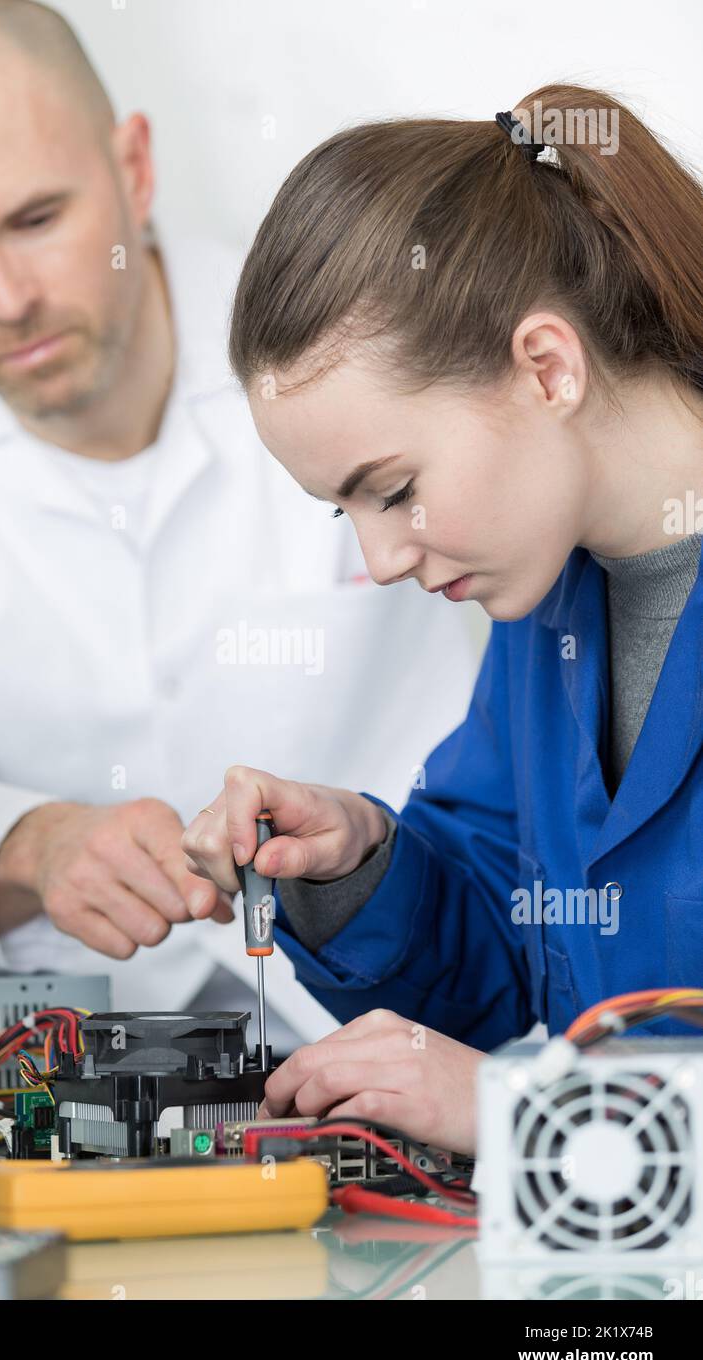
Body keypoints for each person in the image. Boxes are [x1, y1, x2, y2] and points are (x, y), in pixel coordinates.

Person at [0, 0, 479, 1053]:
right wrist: (24, 844)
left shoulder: (335, 347)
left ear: (133, 166)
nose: (7, 299)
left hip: (412, 1021)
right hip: (83, 1064)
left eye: (37, 219)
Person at [181, 84, 703, 1151]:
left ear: (545, 368)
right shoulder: (547, 603)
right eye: (345, 510)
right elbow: (511, 969)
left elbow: (519, 1084)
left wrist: (536, 1113)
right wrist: (357, 869)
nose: (377, 562)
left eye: (391, 487)